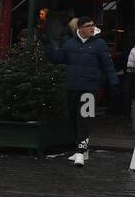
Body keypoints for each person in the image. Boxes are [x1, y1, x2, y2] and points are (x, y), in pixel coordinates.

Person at [46, 16, 119, 166]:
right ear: (80, 28)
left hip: (90, 89)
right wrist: (48, 45)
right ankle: (83, 150)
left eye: (92, 25)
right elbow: (58, 58)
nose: (91, 28)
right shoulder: (70, 44)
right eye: (88, 26)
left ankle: (80, 151)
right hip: (72, 87)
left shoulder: (100, 44)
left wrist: (114, 83)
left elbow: (108, 65)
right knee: (73, 119)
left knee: (84, 120)